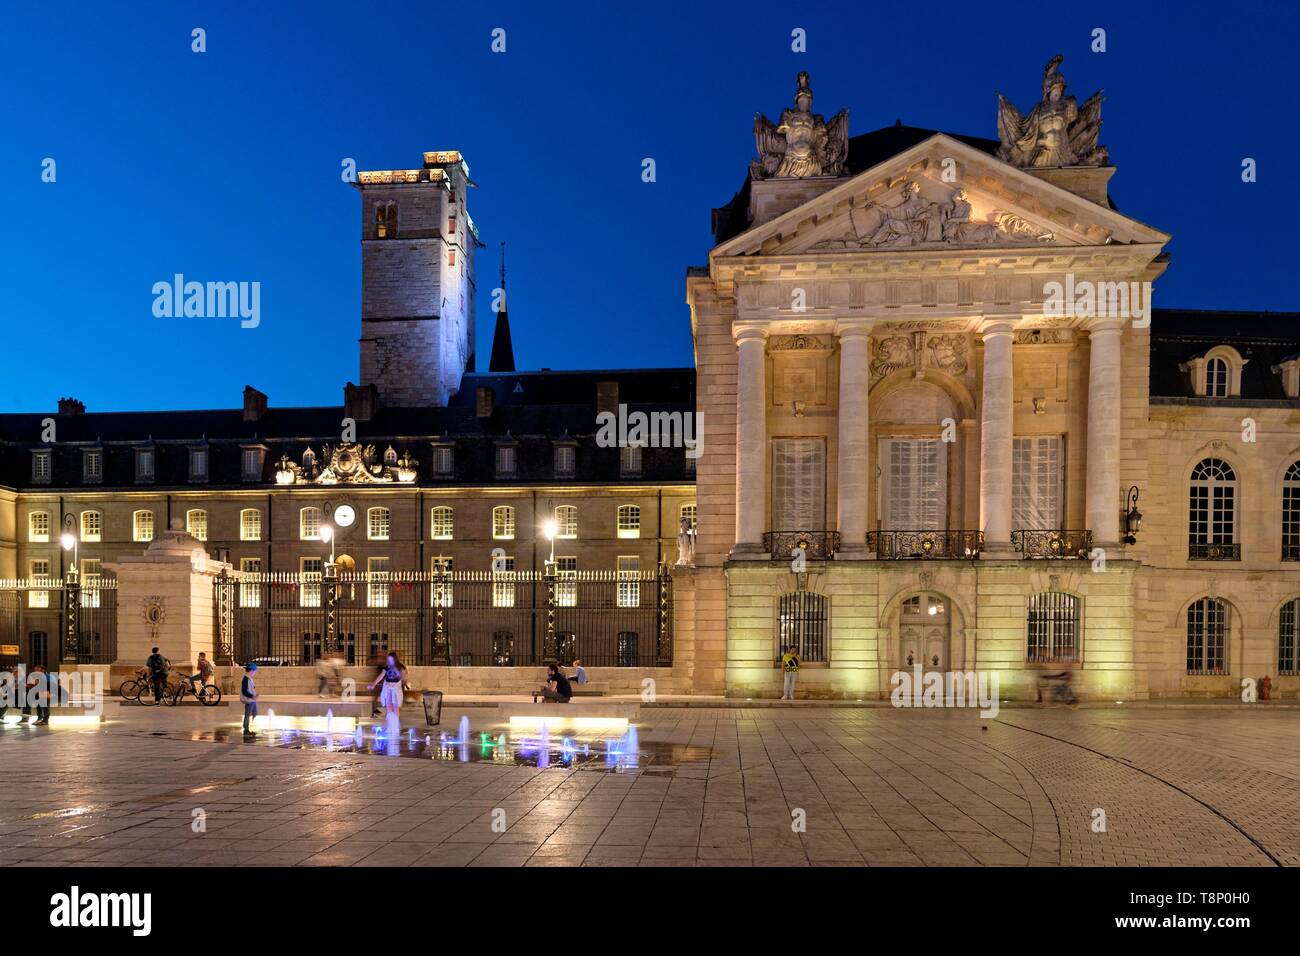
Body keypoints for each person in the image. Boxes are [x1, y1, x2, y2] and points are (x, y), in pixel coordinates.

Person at [367, 652, 407, 719]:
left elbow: (403, 678)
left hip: (396, 689)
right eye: (389, 660)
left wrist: (401, 683)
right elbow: (381, 676)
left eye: (391, 660)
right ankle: (389, 723)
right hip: (388, 688)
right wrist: (373, 685)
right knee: (388, 706)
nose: (389, 661)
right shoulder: (387, 667)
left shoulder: (401, 667)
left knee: (395, 707)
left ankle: (395, 724)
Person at [240, 663, 259, 737]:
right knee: (247, 715)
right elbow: (244, 691)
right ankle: (246, 730)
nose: (255, 673)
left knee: (254, 712)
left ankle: (248, 727)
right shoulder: (245, 679)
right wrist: (252, 696)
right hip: (249, 700)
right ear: (251, 670)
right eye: (254, 671)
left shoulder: (249, 678)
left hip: (252, 700)